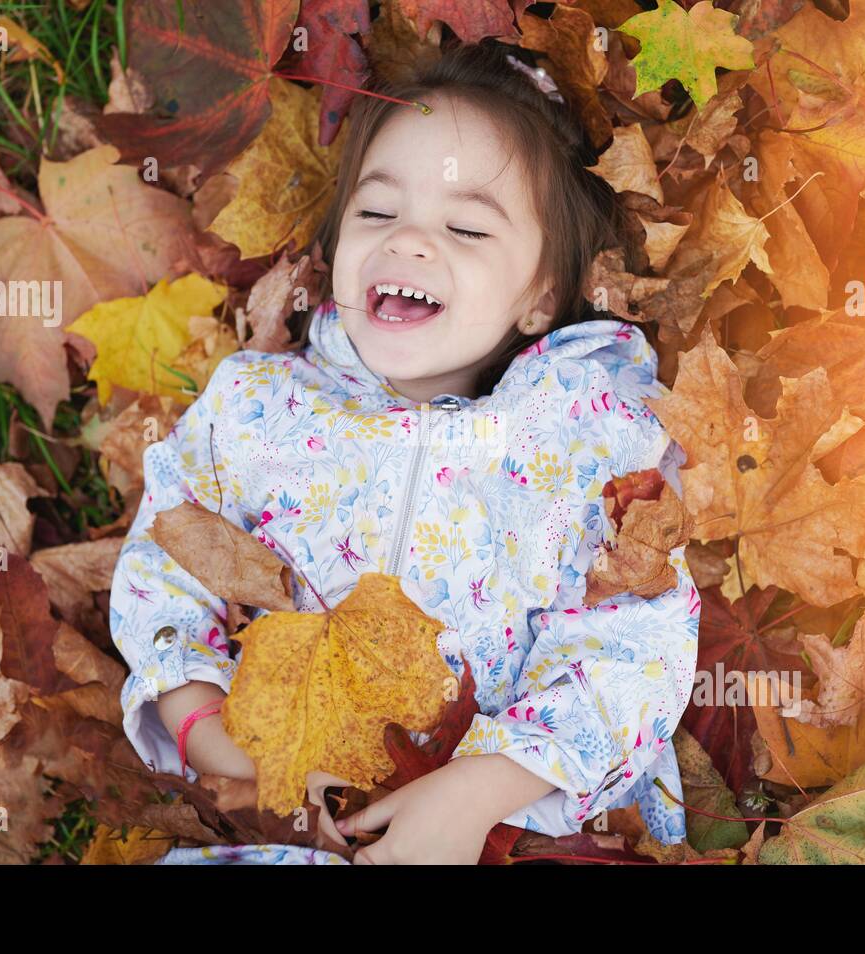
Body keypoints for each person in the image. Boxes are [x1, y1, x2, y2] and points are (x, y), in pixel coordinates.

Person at [109, 39, 700, 865]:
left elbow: (635, 637)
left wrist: (482, 789)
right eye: (377, 213)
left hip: (510, 831)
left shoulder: (587, 433)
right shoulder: (259, 407)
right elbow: (166, 558)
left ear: (538, 297)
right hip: (281, 821)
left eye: (465, 227)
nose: (410, 241)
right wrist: (213, 732)